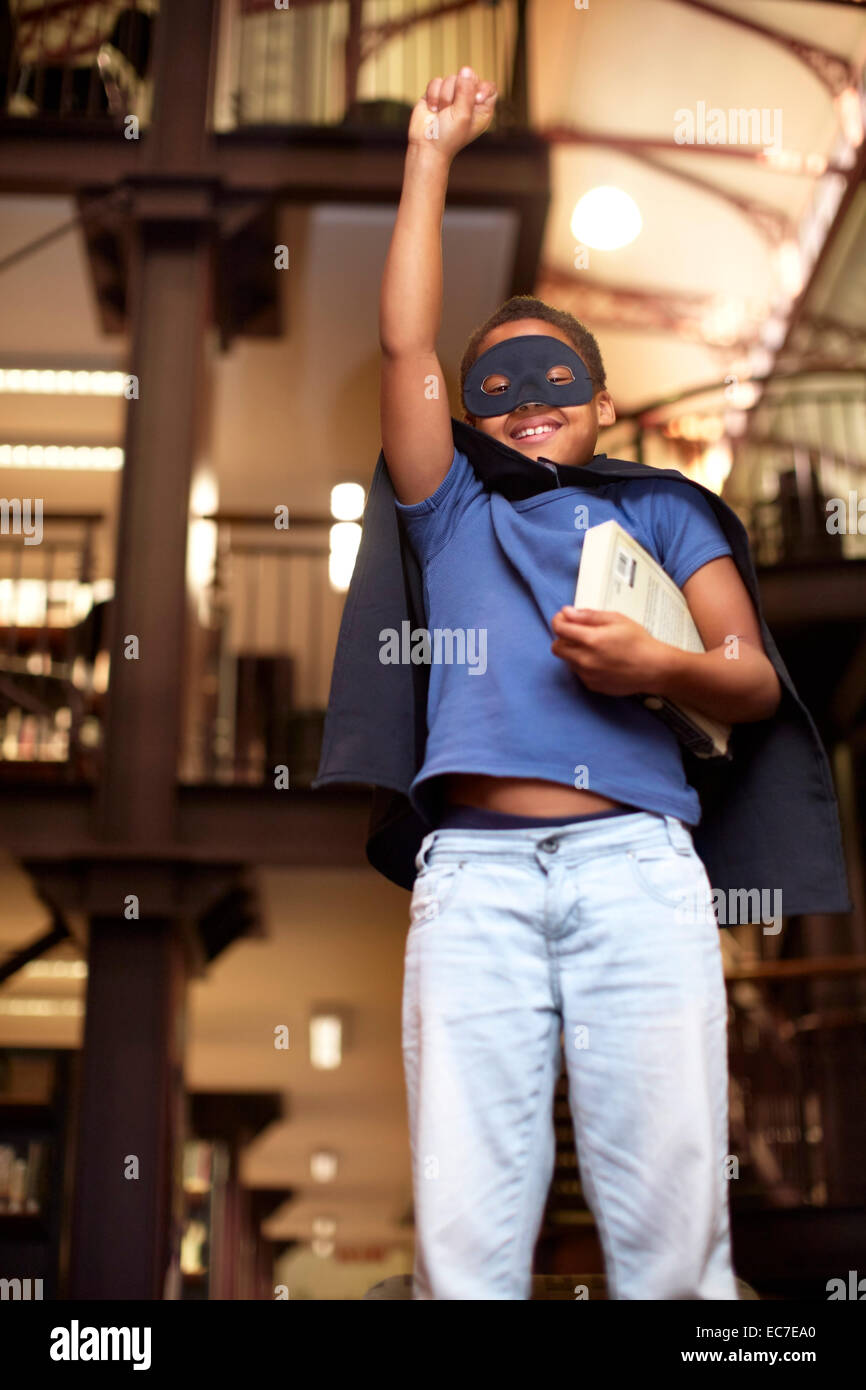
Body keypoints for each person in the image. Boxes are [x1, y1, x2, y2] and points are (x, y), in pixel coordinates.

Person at [379, 66, 782, 1300]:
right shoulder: (444, 511)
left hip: (633, 873)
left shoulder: (664, 509)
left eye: (554, 380)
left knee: (670, 1244)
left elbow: (747, 678)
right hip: (475, 885)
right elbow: (403, 340)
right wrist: (430, 156)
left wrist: (653, 665)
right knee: (468, 1247)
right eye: (493, 384)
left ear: (604, 401)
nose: (525, 402)